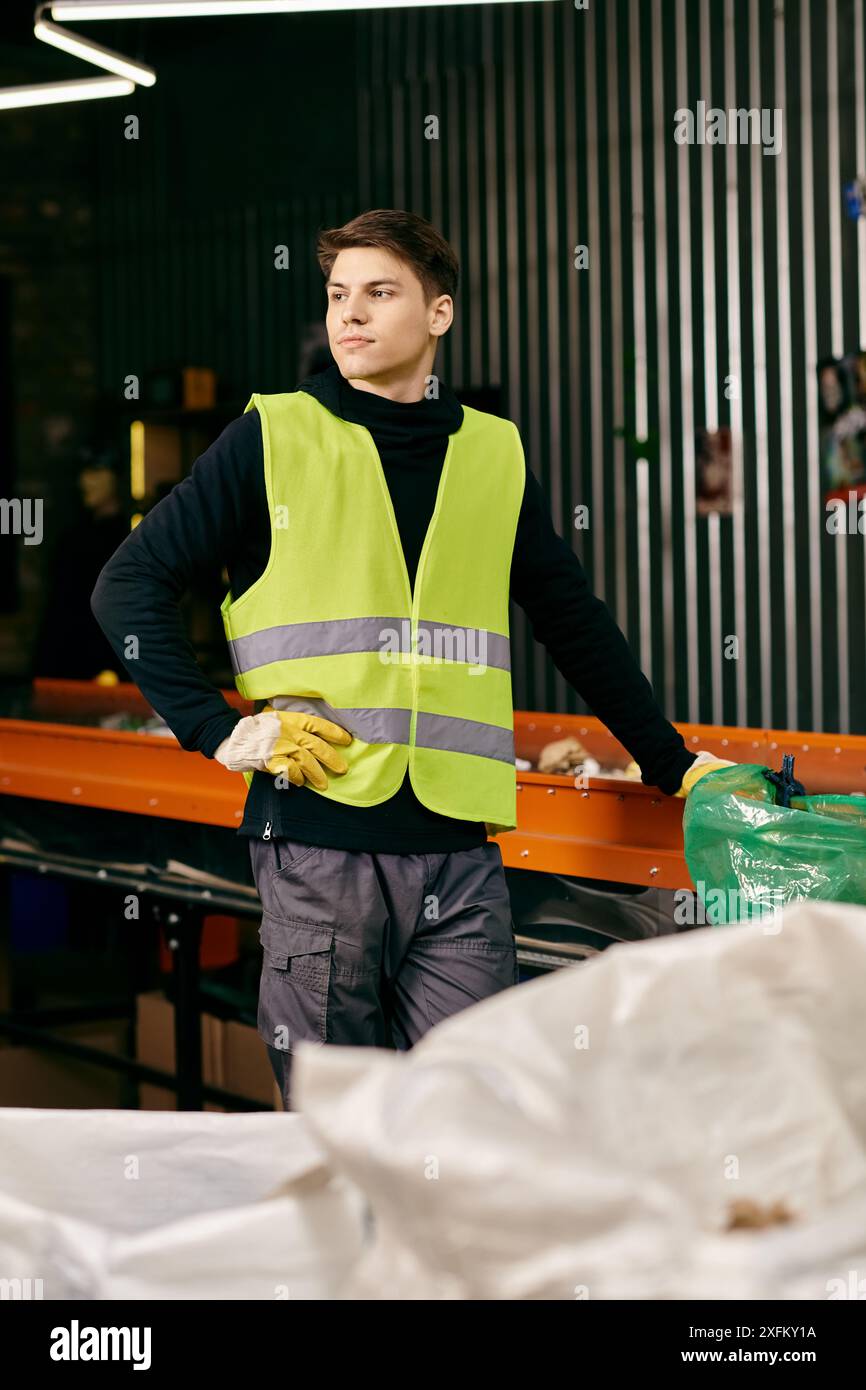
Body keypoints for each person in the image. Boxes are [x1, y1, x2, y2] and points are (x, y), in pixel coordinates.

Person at [91, 209, 729, 1110]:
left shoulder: (492, 454)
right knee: (338, 1137)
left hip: (459, 856)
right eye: (338, 295)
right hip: (319, 847)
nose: (349, 315)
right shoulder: (274, 438)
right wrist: (218, 731)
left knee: (465, 1124)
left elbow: (572, 621)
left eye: (379, 293)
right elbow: (127, 587)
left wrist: (673, 762)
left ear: (439, 314)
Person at [33, 448, 128, 680]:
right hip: (67, 664)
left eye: (96, 472)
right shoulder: (72, 539)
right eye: (84, 473)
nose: (86, 481)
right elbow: (60, 607)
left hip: (108, 665)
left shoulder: (128, 539)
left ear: (115, 477)